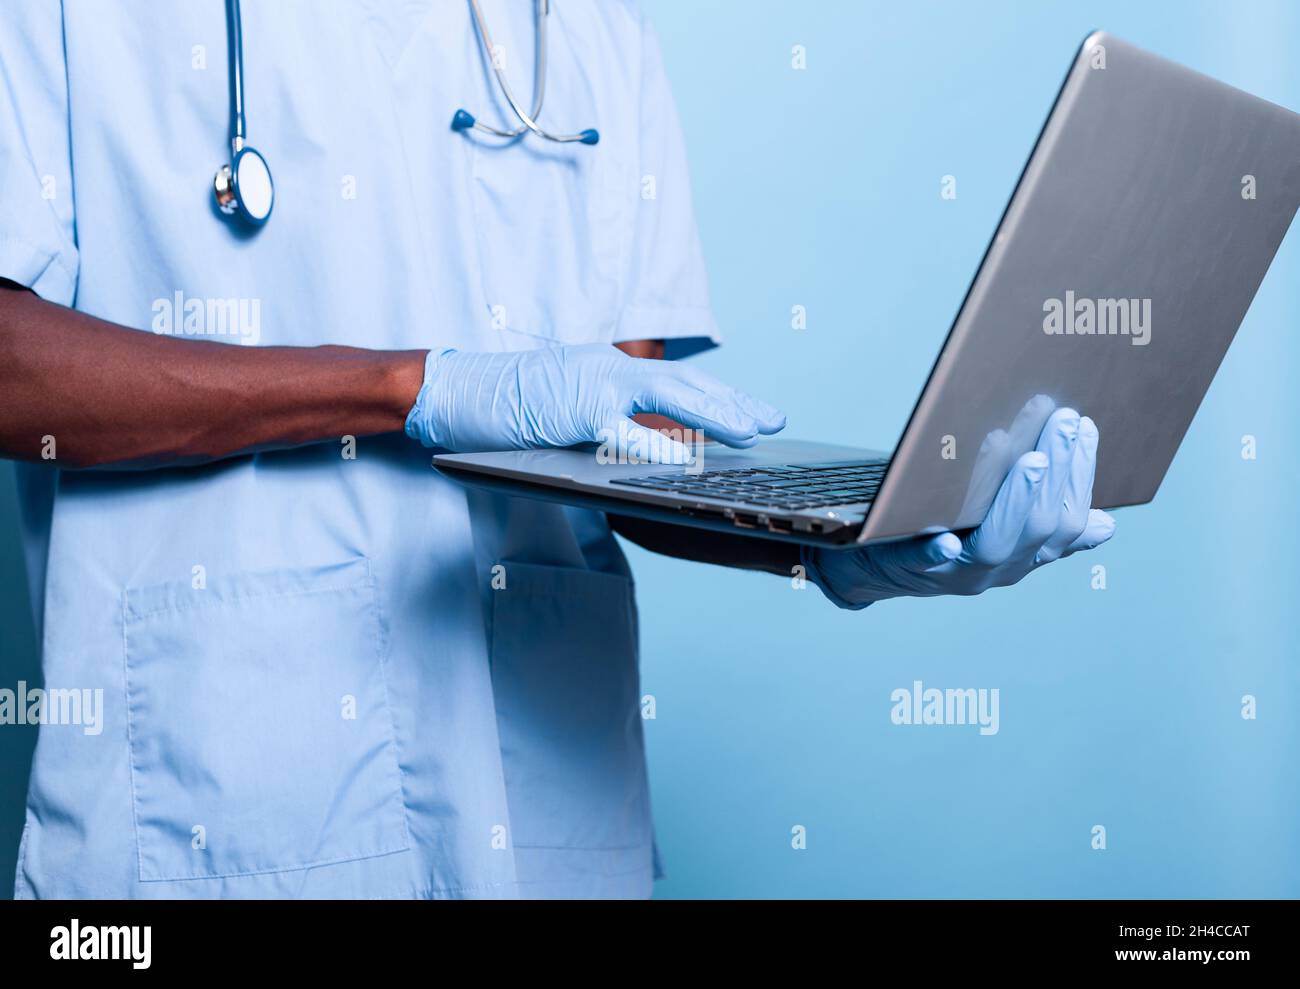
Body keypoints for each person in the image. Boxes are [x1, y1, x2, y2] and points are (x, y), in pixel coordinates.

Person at [0, 0, 1113, 899]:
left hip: (543, 815)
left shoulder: (589, 29)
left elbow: (624, 443)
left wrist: (835, 549)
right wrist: (410, 386)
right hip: (215, 794)